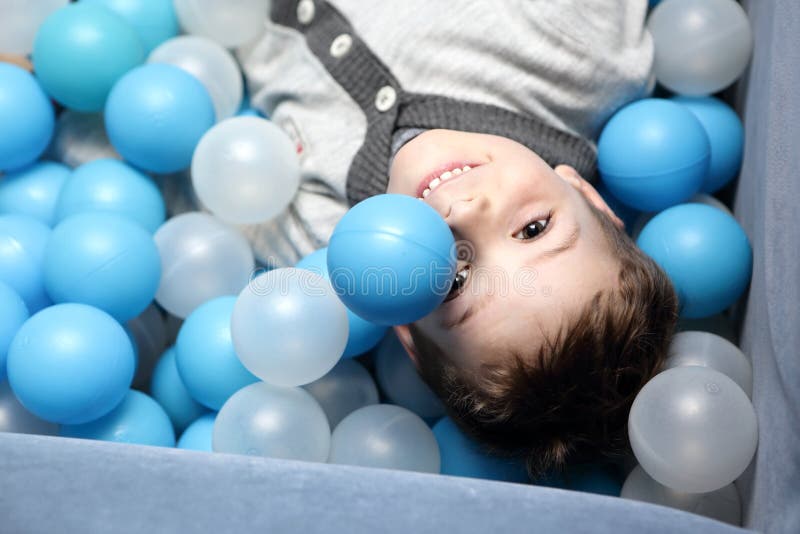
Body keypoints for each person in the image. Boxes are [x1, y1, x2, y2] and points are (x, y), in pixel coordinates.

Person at [236, 0, 678, 476]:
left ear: (403, 328)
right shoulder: (579, 55)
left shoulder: (321, 236)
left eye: (454, 281)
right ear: (586, 196)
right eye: (533, 229)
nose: (464, 213)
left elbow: (217, 191)